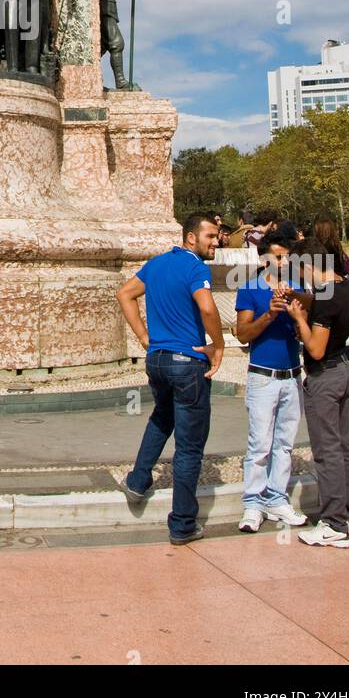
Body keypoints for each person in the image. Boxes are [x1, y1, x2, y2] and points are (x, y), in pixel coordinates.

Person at [116, 214, 224, 544]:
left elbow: (125, 294)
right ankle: (182, 524)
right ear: (191, 238)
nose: (216, 241)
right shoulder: (195, 267)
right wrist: (217, 345)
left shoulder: (157, 264)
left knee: (162, 418)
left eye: (217, 236)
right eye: (210, 236)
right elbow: (206, 308)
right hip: (187, 362)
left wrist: (144, 336)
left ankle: (137, 480)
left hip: (157, 360)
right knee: (190, 448)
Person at [287, 236, 349, 548]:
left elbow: (316, 349)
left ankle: (334, 525)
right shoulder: (344, 288)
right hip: (343, 369)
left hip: (324, 376)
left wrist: (299, 320)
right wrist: (301, 301)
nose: (298, 277)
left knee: (327, 452)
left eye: (299, 270)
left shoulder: (324, 297)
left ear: (309, 265)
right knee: (344, 447)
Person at [235, 229, 312, 533]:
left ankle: (277, 498)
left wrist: (297, 314)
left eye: (286, 257)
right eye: (277, 256)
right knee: (259, 445)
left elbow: (311, 317)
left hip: (292, 375)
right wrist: (269, 314)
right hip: (262, 376)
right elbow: (243, 334)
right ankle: (253, 503)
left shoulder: (297, 287)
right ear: (264, 257)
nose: (282, 262)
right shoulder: (249, 288)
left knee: (284, 443)